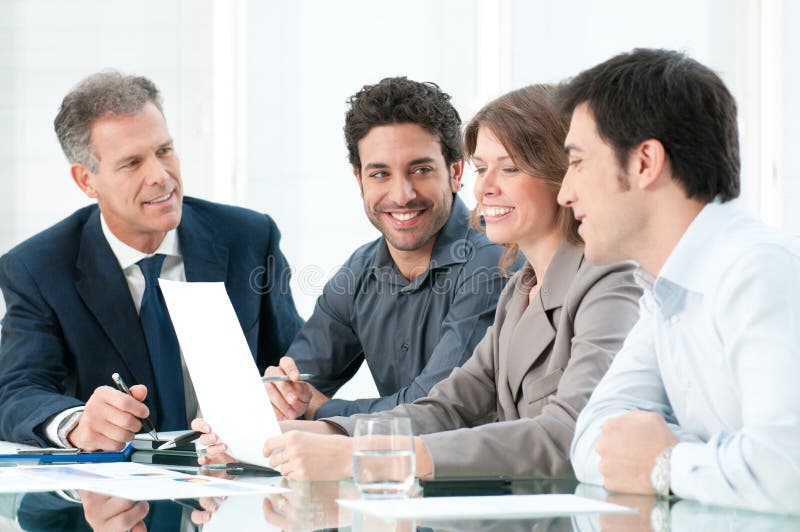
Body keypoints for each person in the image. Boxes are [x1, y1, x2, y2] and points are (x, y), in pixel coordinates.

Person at [195, 85, 641, 481]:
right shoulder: (520, 291)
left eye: (509, 169)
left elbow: (569, 433)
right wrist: (285, 432)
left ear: (561, 174)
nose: (485, 188)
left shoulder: (605, 279)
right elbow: (446, 407)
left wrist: (358, 452)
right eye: (483, 168)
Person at [0, 71, 303, 451]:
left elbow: (297, 360)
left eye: (164, 151)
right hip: (115, 496)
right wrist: (77, 424)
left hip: (236, 478)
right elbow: (17, 391)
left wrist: (290, 389)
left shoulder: (249, 237)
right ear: (86, 181)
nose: (161, 176)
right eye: (131, 163)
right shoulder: (38, 268)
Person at [559, 49, 800, 513]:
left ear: (645, 162)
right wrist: (719, 459)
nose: (565, 193)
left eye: (578, 162)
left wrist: (664, 461)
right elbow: (594, 442)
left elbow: (785, 471)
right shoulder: (664, 290)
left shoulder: (759, 271)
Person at [263, 77, 511, 420]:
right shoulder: (360, 270)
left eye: (421, 170)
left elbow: (432, 408)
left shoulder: (492, 261)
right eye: (380, 174)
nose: (401, 195)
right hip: (397, 471)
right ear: (359, 180)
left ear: (455, 172)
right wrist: (276, 395)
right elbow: (296, 383)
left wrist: (322, 410)